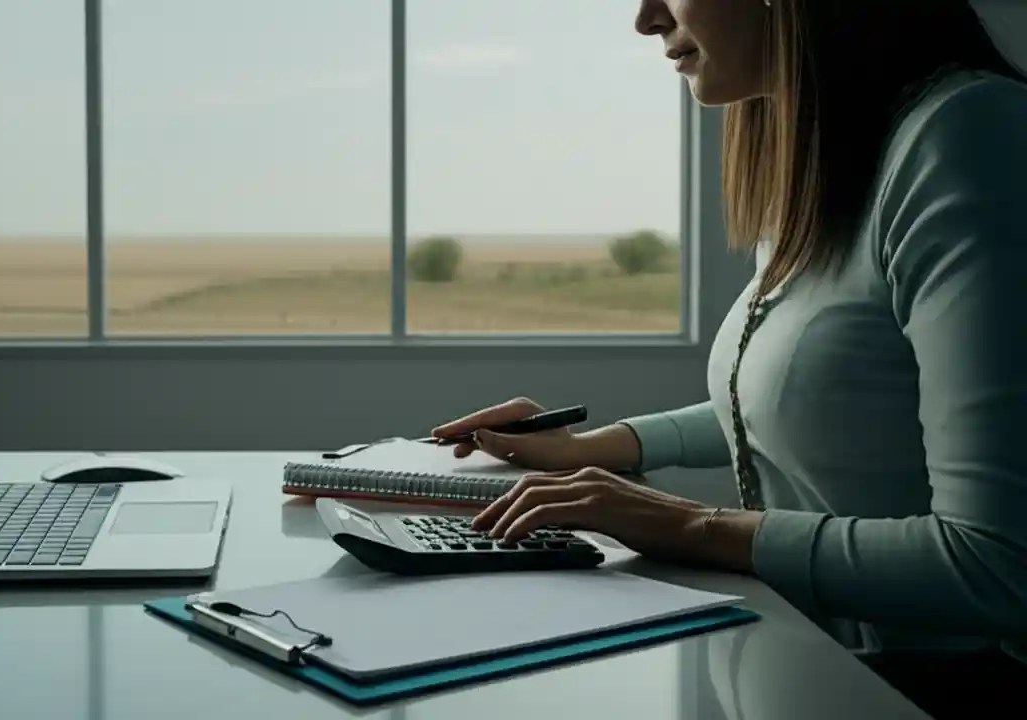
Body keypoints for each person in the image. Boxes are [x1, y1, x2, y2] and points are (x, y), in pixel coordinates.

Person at [430, 1, 1027, 716]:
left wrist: (688, 525)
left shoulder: (969, 138)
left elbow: (1000, 568)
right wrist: (598, 448)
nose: (646, 18)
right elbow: (818, 398)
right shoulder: (826, 158)